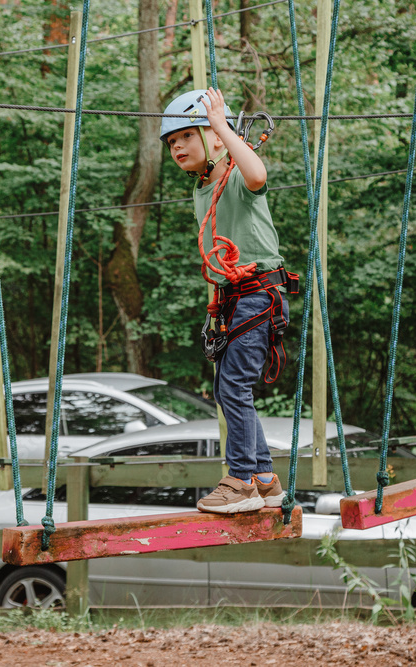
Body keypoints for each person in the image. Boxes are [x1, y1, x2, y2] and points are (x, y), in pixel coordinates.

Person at [160, 88, 295, 514]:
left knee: (234, 387)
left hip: (258, 293)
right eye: (171, 142)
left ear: (217, 138)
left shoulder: (237, 174)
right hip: (236, 299)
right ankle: (265, 480)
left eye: (185, 136)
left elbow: (257, 176)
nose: (176, 146)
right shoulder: (203, 188)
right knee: (228, 389)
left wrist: (221, 125)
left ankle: (240, 482)